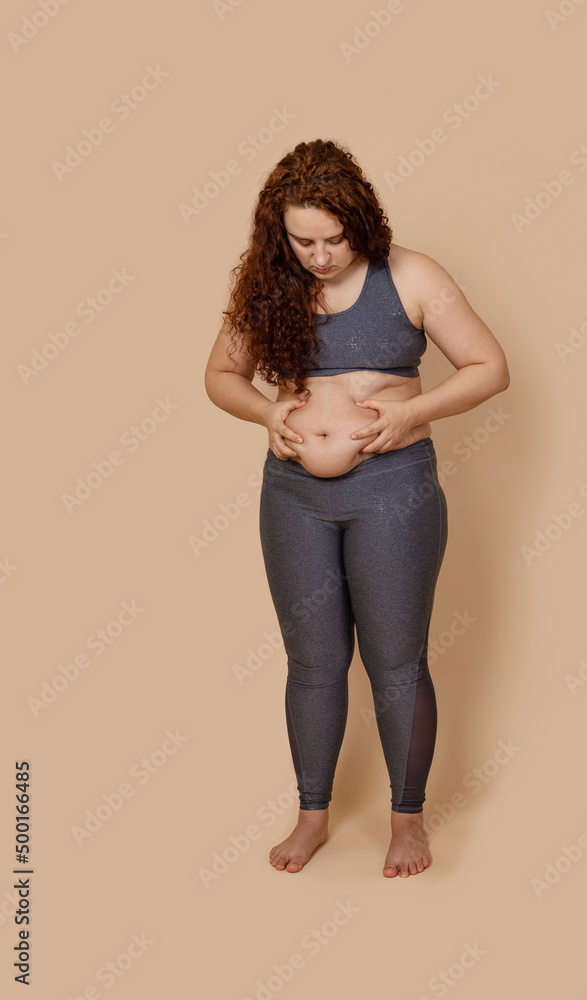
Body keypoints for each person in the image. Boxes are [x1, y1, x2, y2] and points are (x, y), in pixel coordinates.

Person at [204, 138, 510, 877]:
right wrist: (264, 415)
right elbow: (220, 375)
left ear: (360, 222)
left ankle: (408, 821)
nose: (317, 255)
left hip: (393, 490)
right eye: (300, 239)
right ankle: (312, 815)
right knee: (312, 662)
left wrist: (411, 415)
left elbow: (489, 367)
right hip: (295, 499)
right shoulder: (269, 282)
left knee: (395, 662)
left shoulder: (410, 274)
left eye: (332, 239)